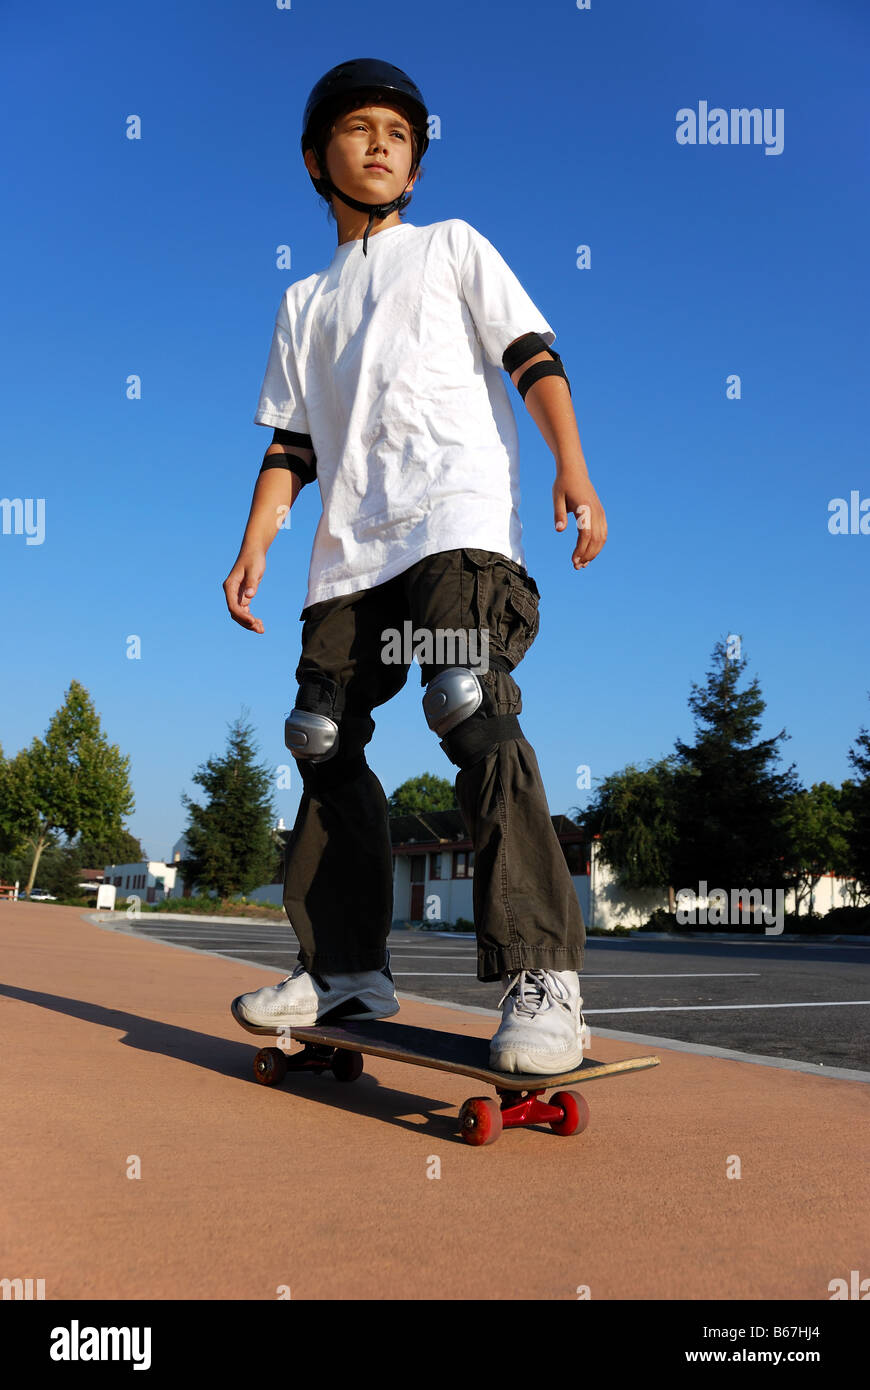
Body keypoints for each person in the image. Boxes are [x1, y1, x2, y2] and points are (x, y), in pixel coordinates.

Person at [224, 58, 607, 1074]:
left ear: (416, 162)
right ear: (319, 160)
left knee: (466, 701)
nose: (383, 141)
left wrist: (572, 462)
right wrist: (258, 536)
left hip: (453, 523)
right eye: (359, 127)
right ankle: (347, 964)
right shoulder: (301, 301)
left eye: (399, 130)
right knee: (320, 736)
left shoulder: (451, 247)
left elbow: (532, 353)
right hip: (351, 554)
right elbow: (291, 446)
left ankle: (543, 973)